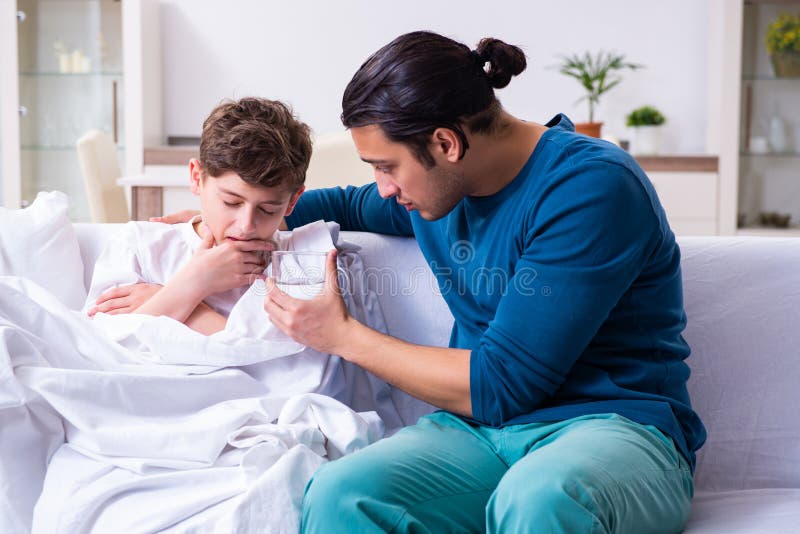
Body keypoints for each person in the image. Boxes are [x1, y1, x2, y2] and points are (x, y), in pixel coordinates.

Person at [160, 31, 706, 532]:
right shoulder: (440, 191)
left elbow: (502, 384)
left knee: (541, 497)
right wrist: (223, 225)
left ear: (446, 143)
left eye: (386, 166)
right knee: (341, 493)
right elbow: (348, 204)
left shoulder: (589, 189)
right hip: (480, 437)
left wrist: (341, 336)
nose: (382, 187)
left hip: (615, 430)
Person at [85, 97, 310, 335]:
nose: (245, 226)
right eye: (231, 202)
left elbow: (283, 368)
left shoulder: (302, 265)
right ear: (196, 178)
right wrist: (191, 283)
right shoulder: (140, 246)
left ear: (292, 201)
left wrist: (182, 300)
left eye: (267, 209)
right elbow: (99, 349)